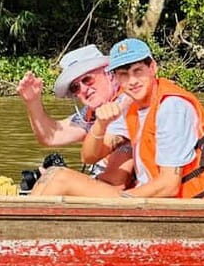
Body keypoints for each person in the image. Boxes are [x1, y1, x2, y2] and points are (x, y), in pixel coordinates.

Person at [31, 38, 204, 199]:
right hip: (149, 200)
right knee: (53, 175)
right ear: (116, 77)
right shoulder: (130, 106)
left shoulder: (171, 107)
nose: (132, 81)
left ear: (153, 68)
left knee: (60, 178)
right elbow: (89, 157)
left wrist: (119, 201)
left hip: (191, 205)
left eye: (137, 71)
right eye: (124, 74)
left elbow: (169, 185)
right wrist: (100, 125)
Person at [17, 44, 133, 187]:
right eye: (75, 87)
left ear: (108, 74)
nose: (83, 89)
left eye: (87, 79)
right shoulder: (91, 112)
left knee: (57, 177)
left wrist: (66, 179)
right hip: (101, 184)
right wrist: (33, 101)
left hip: (120, 189)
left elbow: (92, 156)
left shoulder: (126, 101)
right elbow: (51, 136)